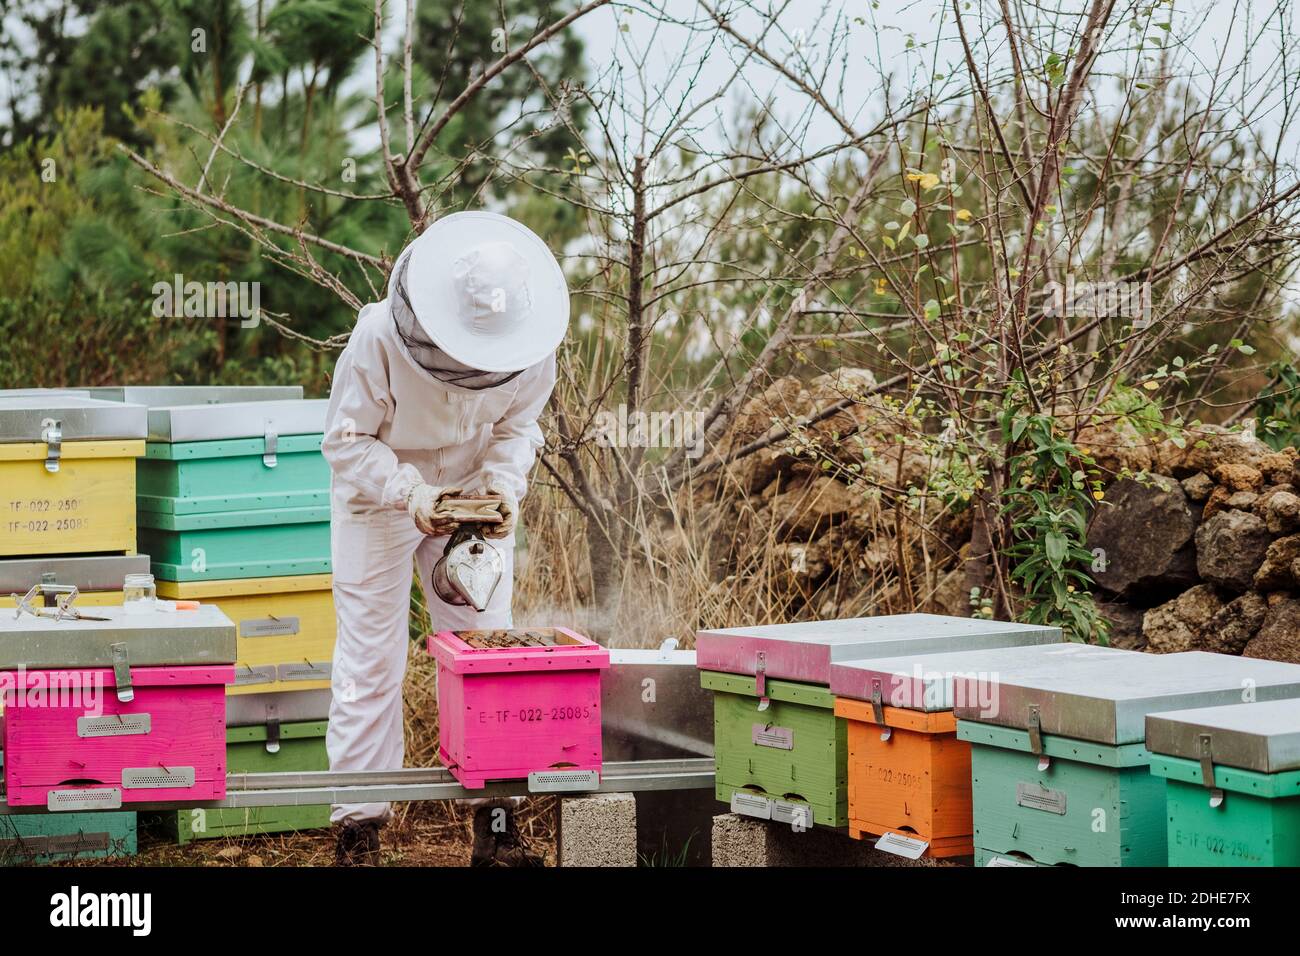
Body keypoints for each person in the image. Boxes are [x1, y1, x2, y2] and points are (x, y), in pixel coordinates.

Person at [320, 211, 567, 865]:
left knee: (488, 651)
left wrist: (505, 490)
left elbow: (519, 430)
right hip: (378, 500)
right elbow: (344, 442)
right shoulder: (378, 336)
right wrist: (409, 493)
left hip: (472, 502)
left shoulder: (531, 348)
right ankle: (359, 828)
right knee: (371, 662)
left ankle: (495, 826)